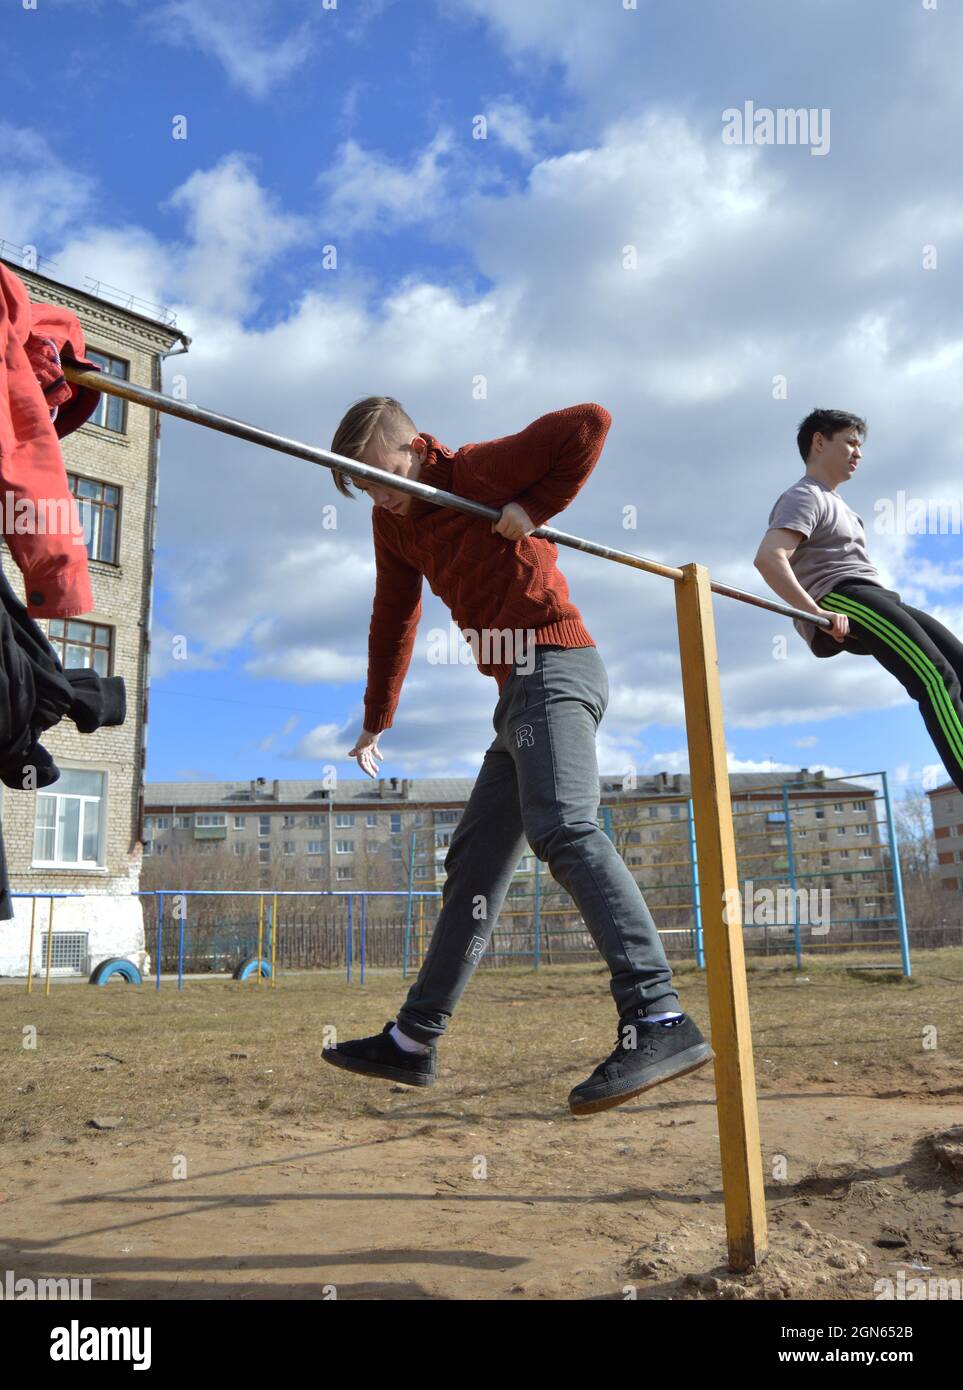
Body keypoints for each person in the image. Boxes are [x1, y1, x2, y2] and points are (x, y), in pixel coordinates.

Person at [320, 397, 713, 1115]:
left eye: (382, 476)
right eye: (362, 488)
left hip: (555, 662)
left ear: (413, 448)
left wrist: (533, 508)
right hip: (516, 695)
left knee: (563, 827)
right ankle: (413, 1039)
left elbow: (590, 422)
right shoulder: (392, 522)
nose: (379, 498)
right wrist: (376, 720)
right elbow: (393, 616)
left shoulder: (471, 472)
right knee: (473, 862)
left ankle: (657, 1016)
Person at [754, 408, 963, 794]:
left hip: (876, 596)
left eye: (859, 445)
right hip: (842, 595)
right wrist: (815, 612)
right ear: (819, 442)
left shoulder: (845, 508)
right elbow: (769, 558)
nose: (858, 453)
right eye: (850, 442)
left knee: (959, 665)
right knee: (935, 677)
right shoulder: (803, 495)